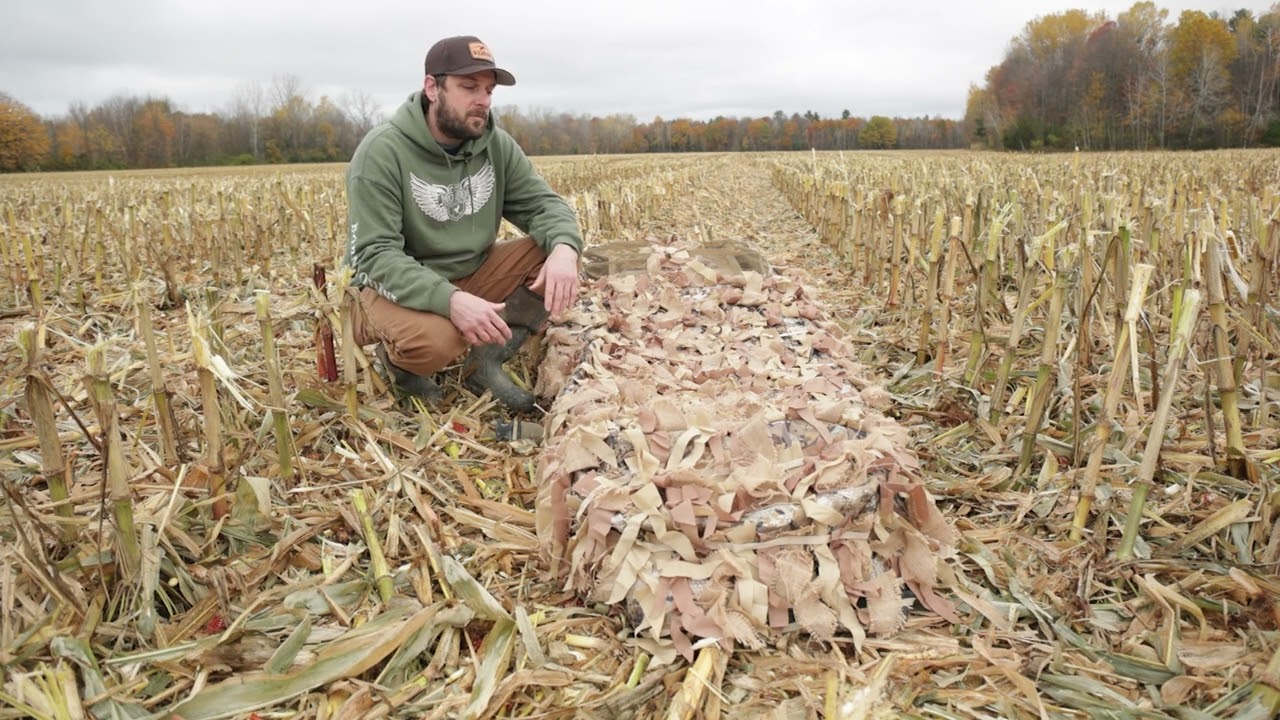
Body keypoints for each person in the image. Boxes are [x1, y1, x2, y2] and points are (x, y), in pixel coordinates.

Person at [343, 35, 583, 412]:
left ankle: (486, 360)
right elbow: (374, 255)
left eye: (488, 90)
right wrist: (451, 300)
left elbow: (544, 206)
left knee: (552, 252)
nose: (483, 100)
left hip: (470, 272)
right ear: (431, 87)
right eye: (469, 87)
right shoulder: (383, 152)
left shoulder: (496, 145)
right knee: (438, 341)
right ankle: (402, 368)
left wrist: (566, 250)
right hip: (392, 288)